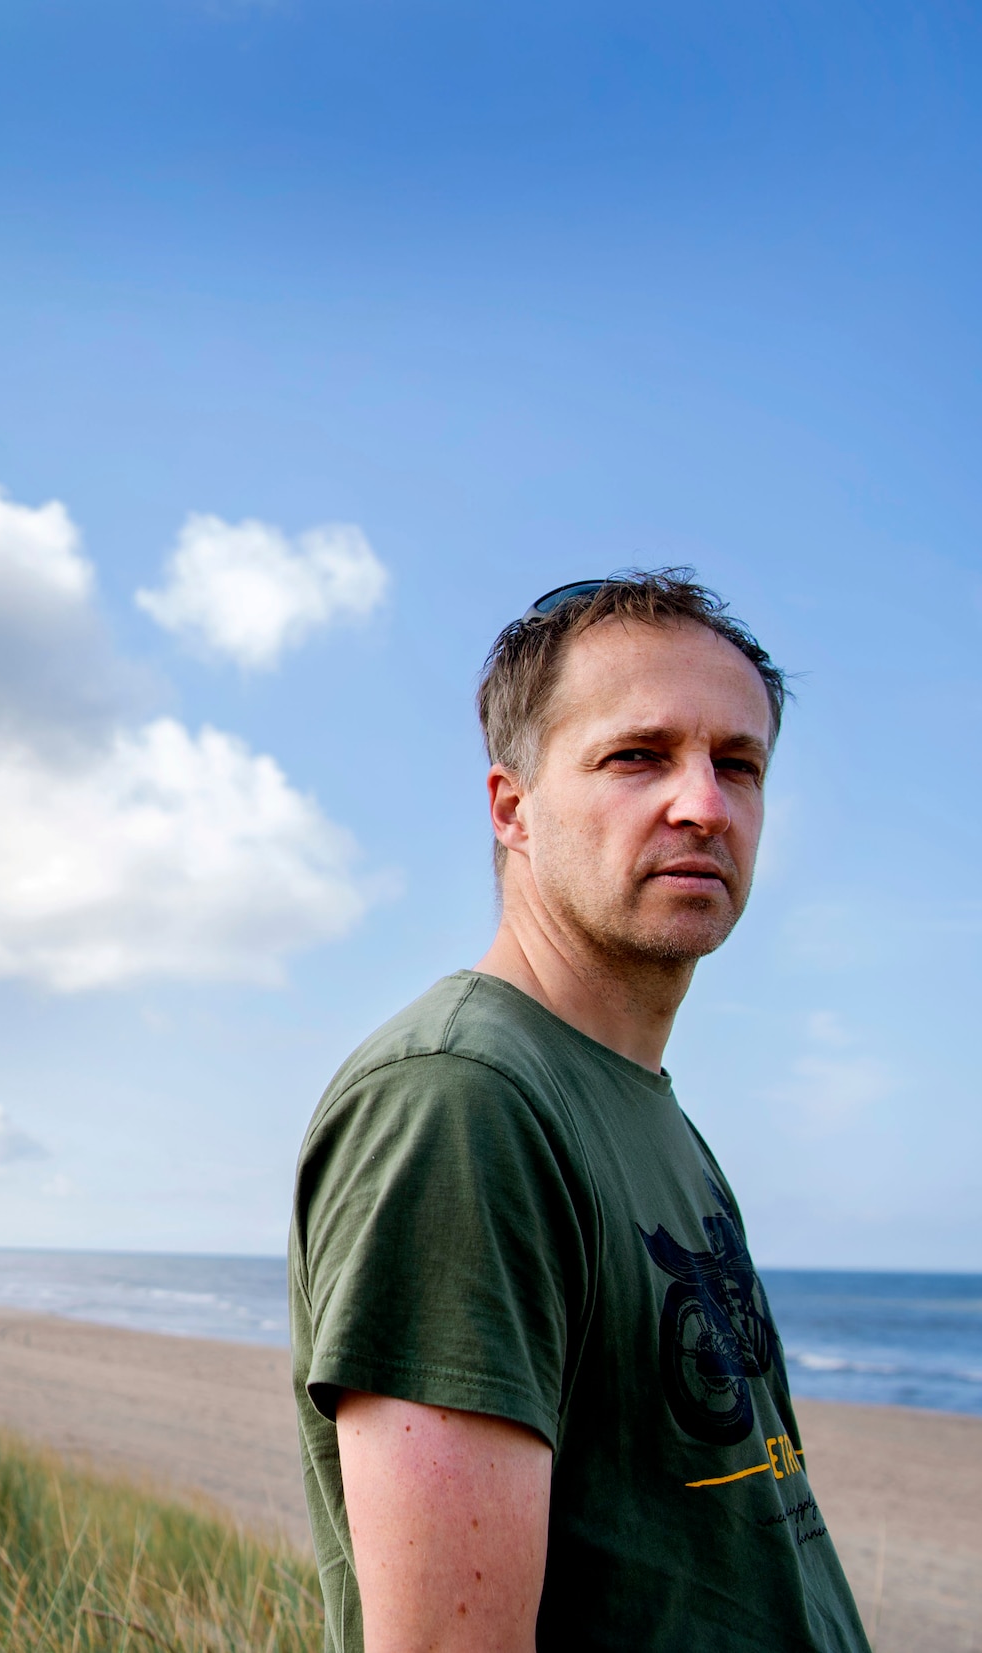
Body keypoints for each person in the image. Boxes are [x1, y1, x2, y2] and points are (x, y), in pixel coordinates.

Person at [288, 571, 869, 1651]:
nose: (702, 803)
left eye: (737, 764)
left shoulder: (641, 1106)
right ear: (510, 807)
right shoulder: (460, 1100)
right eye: (636, 755)